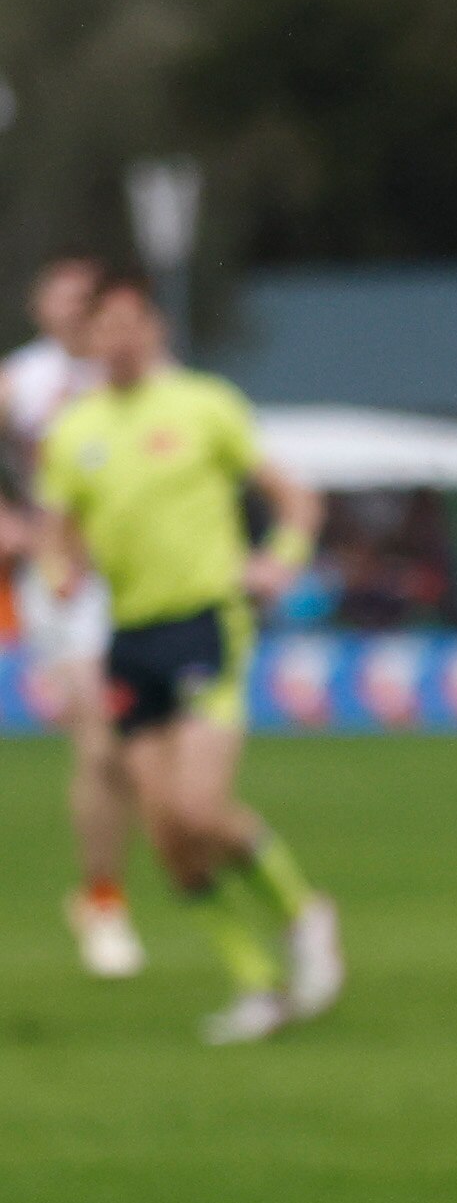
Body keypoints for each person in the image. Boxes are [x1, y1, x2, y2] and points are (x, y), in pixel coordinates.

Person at [32, 274, 342, 1044]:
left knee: (200, 809)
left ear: (154, 329)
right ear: (89, 339)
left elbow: (296, 499)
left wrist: (282, 559)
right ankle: (256, 983)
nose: (118, 339)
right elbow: (58, 531)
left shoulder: (204, 405)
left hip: (205, 624)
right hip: (129, 639)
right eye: (104, 327)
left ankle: (303, 913)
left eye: (130, 323)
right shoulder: (75, 431)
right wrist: (60, 570)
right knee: (168, 836)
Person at [2, 255, 147, 976]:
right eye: (60, 297)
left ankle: (109, 886)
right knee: (98, 740)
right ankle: (104, 901)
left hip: (140, 577)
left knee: (133, 755)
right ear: (39, 307)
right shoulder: (21, 379)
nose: (73, 309)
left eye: (84, 298)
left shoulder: (136, 377)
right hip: (64, 579)